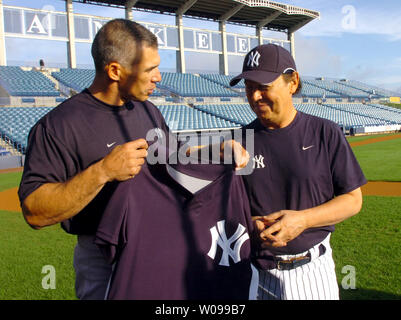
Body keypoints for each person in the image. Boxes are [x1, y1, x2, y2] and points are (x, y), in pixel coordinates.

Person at [18, 19, 248, 300]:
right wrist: (102, 171)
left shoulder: (148, 110)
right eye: (150, 69)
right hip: (103, 257)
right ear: (115, 70)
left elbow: (172, 152)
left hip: (162, 243)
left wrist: (217, 148)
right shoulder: (59, 125)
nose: (159, 77)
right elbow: (35, 212)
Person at [229, 44, 367, 300]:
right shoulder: (240, 141)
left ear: (292, 82)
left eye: (264, 87)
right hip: (255, 272)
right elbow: (227, 209)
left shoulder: (325, 132)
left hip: (312, 270)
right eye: (249, 88)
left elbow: (353, 200)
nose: (255, 96)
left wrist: (302, 220)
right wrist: (252, 224)